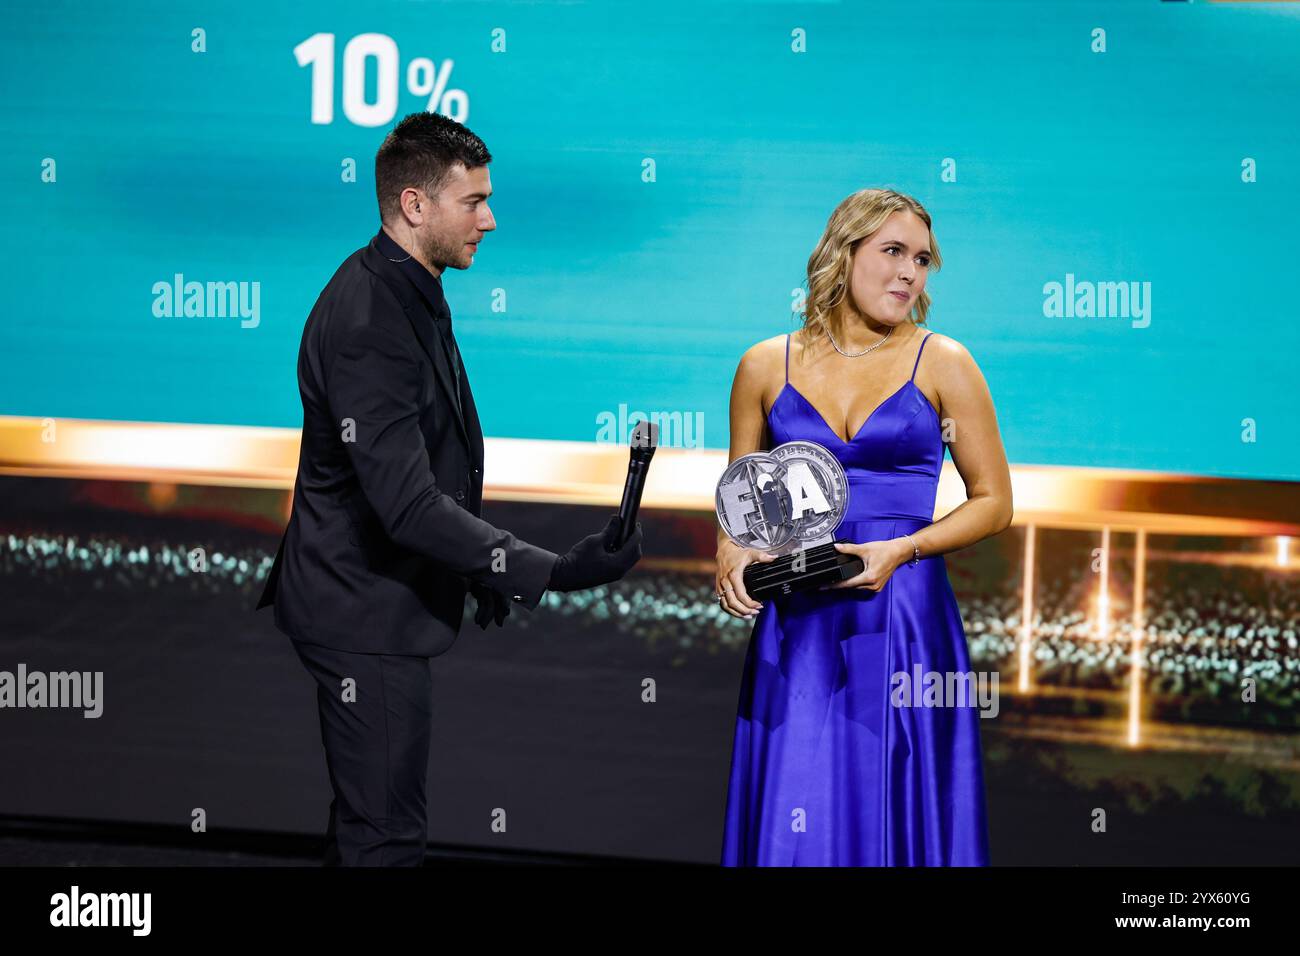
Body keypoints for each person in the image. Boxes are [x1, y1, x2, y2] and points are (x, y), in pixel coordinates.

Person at [256, 112, 642, 866]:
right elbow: (404, 502)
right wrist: (546, 570)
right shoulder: (371, 316)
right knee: (388, 841)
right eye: (474, 202)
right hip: (362, 615)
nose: (490, 220)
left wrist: (476, 567)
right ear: (414, 205)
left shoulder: (406, 287)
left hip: (375, 602)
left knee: (369, 827)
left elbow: (430, 465)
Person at [716, 188, 1013, 866]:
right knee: (799, 803)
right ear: (842, 254)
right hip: (799, 625)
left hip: (903, 616)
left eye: (923, 260)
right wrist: (731, 553)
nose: (910, 273)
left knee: (900, 804)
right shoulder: (764, 365)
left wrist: (904, 547)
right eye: (892, 252)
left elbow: (995, 501)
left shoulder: (945, 363)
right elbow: (742, 505)